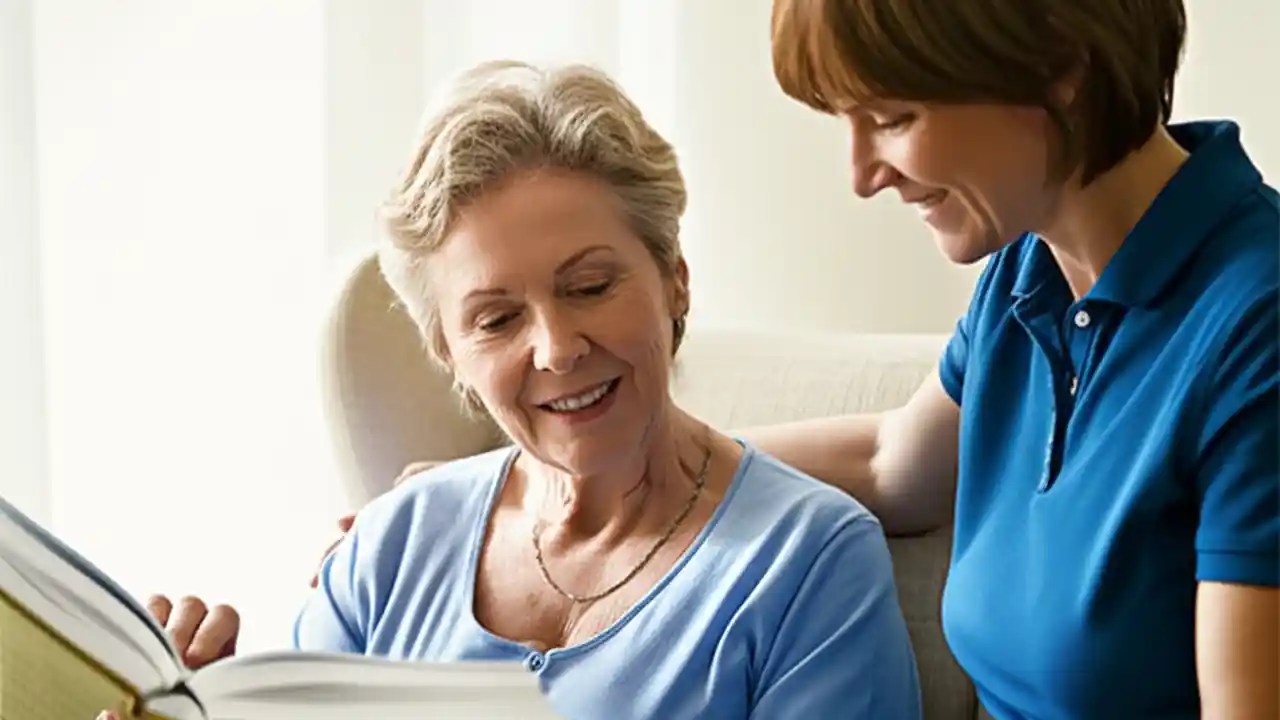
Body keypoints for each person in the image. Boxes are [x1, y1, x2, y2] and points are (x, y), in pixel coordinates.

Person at [134, 61, 923, 720]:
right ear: (448, 353)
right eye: (496, 318)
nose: (556, 348)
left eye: (588, 285)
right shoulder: (390, 547)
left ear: (675, 282)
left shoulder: (809, 561)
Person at [755, 1, 1277, 718]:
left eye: (892, 119)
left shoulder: (1257, 327)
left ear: (1061, 69)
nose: (863, 176)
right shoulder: (1025, 271)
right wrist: (631, 461)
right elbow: (893, 466)